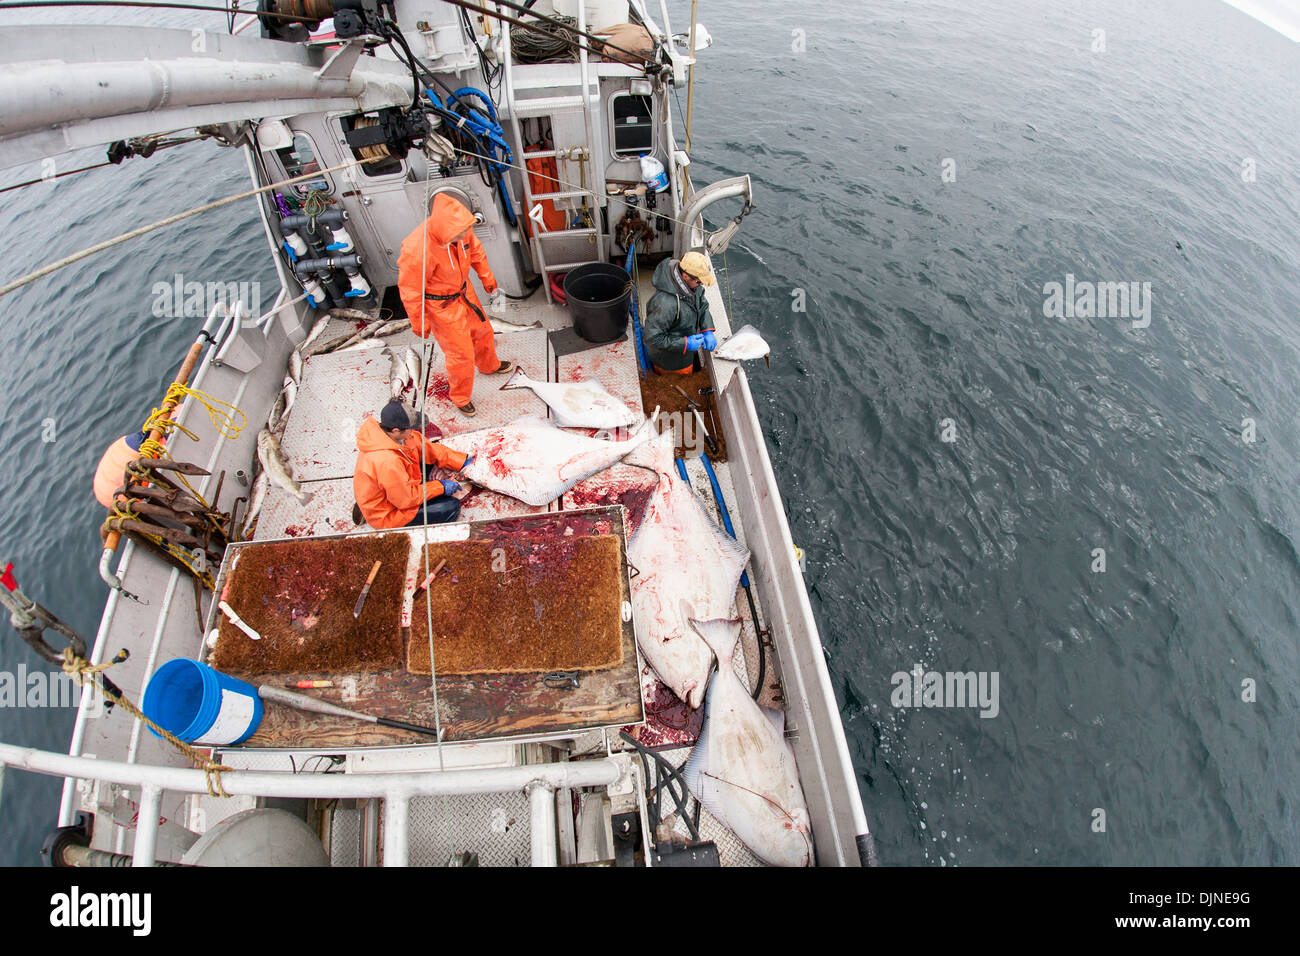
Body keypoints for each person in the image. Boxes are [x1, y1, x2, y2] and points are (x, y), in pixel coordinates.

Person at [396, 193, 513, 416]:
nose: (464, 236)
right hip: (441, 306)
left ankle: (489, 365)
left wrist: (486, 276)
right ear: (444, 229)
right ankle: (460, 397)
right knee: (461, 354)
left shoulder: (462, 228)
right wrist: (419, 321)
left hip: (464, 292)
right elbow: (410, 290)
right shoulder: (416, 249)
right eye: (459, 234)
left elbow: (476, 251)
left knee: (483, 331)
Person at [353, 401, 472, 528]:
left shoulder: (400, 435)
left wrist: (460, 461)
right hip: (391, 511)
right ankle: (370, 509)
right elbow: (406, 500)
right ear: (395, 430)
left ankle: (373, 496)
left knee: (429, 461)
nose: (414, 430)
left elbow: (428, 449)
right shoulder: (387, 462)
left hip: (396, 485)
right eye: (411, 427)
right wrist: (440, 487)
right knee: (450, 507)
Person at [642, 251, 719, 374]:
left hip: (685, 352)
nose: (702, 284)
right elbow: (651, 338)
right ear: (685, 276)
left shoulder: (695, 287)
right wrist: (686, 343)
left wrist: (708, 330)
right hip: (668, 362)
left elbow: (702, 305)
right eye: (699, 281)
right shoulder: (665, 303)